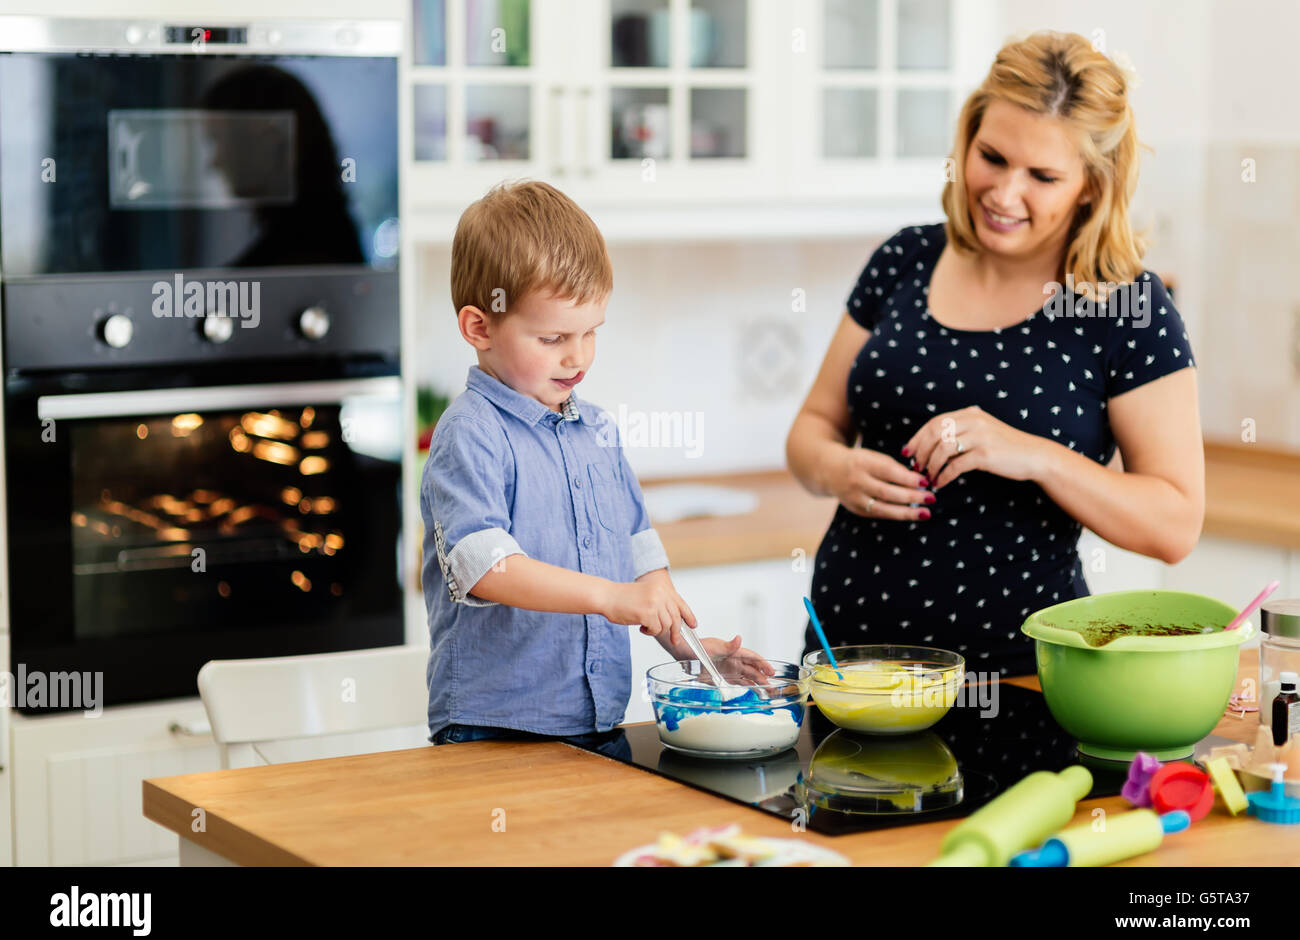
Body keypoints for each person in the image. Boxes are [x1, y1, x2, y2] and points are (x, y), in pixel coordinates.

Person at [786, 31, 1204, 677]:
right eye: (992, 157)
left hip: (1022, 673)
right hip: (850, 663)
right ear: (967, 139)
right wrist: (836, 470)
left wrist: (1034, 455)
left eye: (1042, 176)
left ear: (1091, 186)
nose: (1005, 194)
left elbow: (1174, 526)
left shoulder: (1125, 305)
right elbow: (811, 430)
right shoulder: (905, 259)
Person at [422, 180, 772, 758]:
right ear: (479, 327)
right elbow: (487, 569)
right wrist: (610, 598)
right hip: (495, 730)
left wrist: (691, 648)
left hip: (598, 723)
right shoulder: (471, 433)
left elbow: (642, 569)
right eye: (553, 336)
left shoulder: (598, 432)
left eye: (590, 333)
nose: (578, 356)